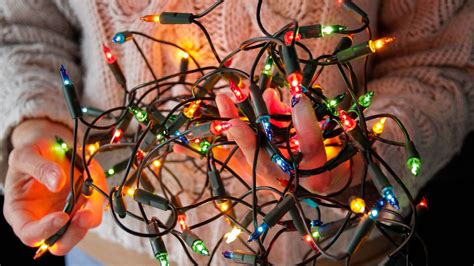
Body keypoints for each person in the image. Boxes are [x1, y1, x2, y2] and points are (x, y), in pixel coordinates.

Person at [1, 0, 472, 265]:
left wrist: (362, 154)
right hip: (107, 251)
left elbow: (443, 60)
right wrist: (38, 128)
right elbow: (24, 30)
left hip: (341, 253)